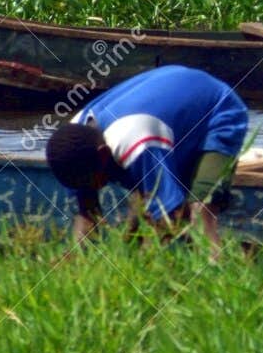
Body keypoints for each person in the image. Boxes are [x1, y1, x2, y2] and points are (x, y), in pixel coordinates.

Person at [44, 65, 249, 245]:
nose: (96, 189)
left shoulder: (136, 139)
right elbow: (88, 215)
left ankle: (214, 264)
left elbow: (169, 215)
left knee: (200, 209)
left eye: (94, 183)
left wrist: (141, 257)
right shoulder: (72, 145)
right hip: (167, 99)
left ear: (104, 154)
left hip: (216, 108)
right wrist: (79, 259)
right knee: (144, 201)